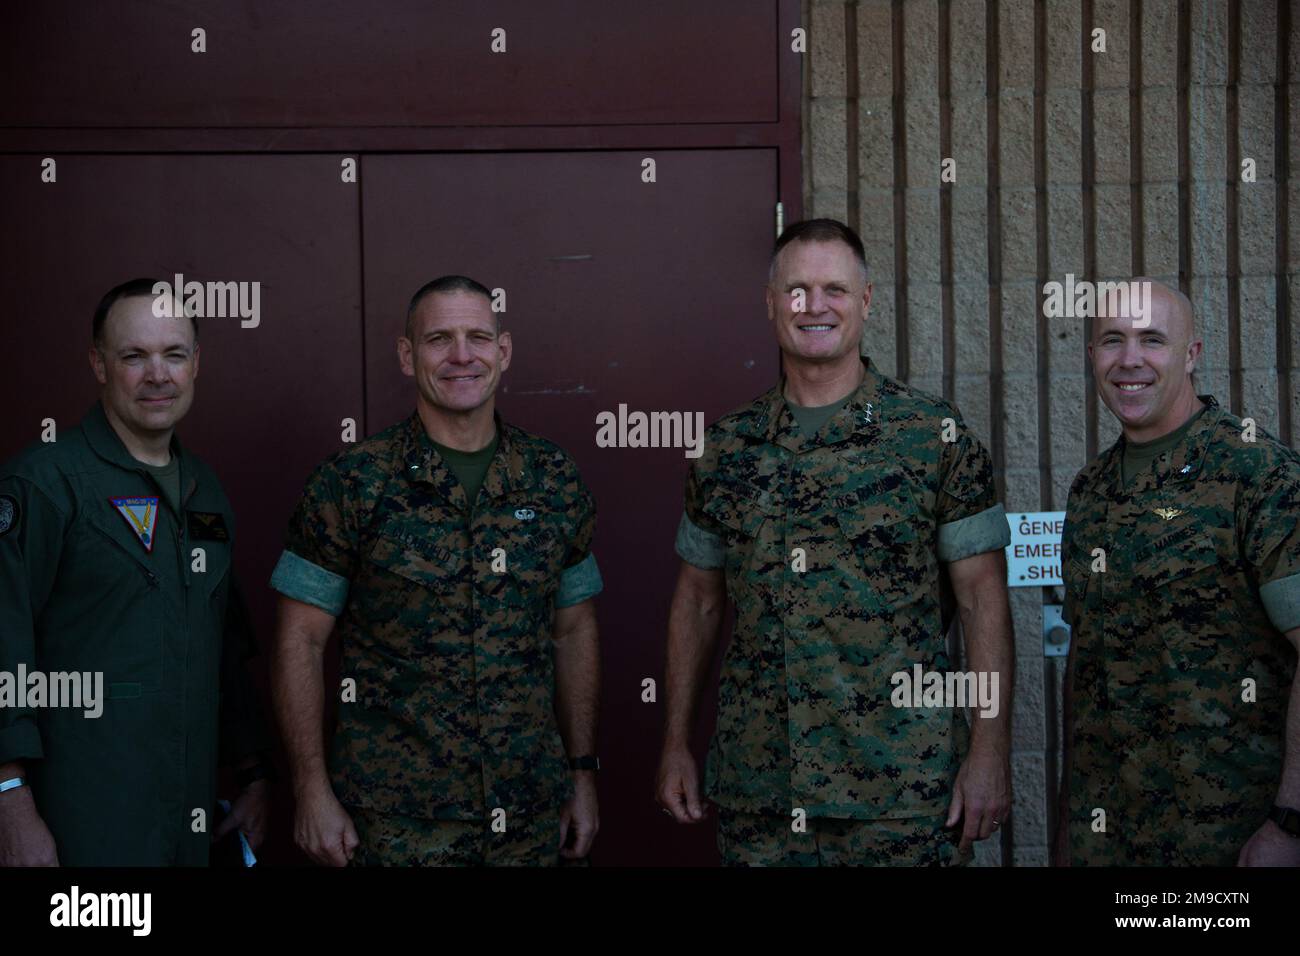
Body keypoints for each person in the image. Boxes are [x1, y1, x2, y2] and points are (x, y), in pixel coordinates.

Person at [656, 219, 1014, 865]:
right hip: (762, 789)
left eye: (834, 290)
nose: (813, 306)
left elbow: (983, 600)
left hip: (903, 790)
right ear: (770, 303)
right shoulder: (725, 449)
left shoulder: (931, 434)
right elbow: (698, 602)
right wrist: (676, 742)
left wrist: (988, 754)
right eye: (796, 290)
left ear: (866, 301)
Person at [271, 275, 603, 866]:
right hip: (397, 823)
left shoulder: (552, 478)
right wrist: (310, 789)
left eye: (479, 337)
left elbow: (573, 629)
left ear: (503, 352)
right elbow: (300, 639)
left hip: (528, 816)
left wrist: (581, 773)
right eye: (438, 340)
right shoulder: (352, 482)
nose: (461, 356)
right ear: (406, 355)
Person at [0, 278, 270, 866]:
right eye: (133, 356)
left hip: (185, 822)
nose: (157, 374)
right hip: (81, 823)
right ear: (98, 364)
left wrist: (252, 774)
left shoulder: (204, 491)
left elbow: (224, 640)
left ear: (196, 363)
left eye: (174, 354)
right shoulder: (45, 485)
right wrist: (9, 801)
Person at [1056, 278, 1300, 866]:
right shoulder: (1090, 491)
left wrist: (1289, 825)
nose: (1130, 359)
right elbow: (1085, 668)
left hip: (1226, 840)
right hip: (1108, 842)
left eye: (1153, 340)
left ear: (1191, 354)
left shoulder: (1257, 474)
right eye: (1112, 340)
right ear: (1092, 356)